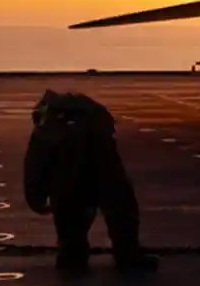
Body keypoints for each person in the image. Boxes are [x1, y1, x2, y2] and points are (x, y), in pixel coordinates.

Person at [23, 90, 159, 273]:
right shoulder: (94, 117)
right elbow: (117, 183)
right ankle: (127, 256)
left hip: (69, 181)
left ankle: (72, 257)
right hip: (99, 174)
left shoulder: (47, 128)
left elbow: (35, 165)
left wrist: (36, 197)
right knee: (121, 216)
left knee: (70, 227)